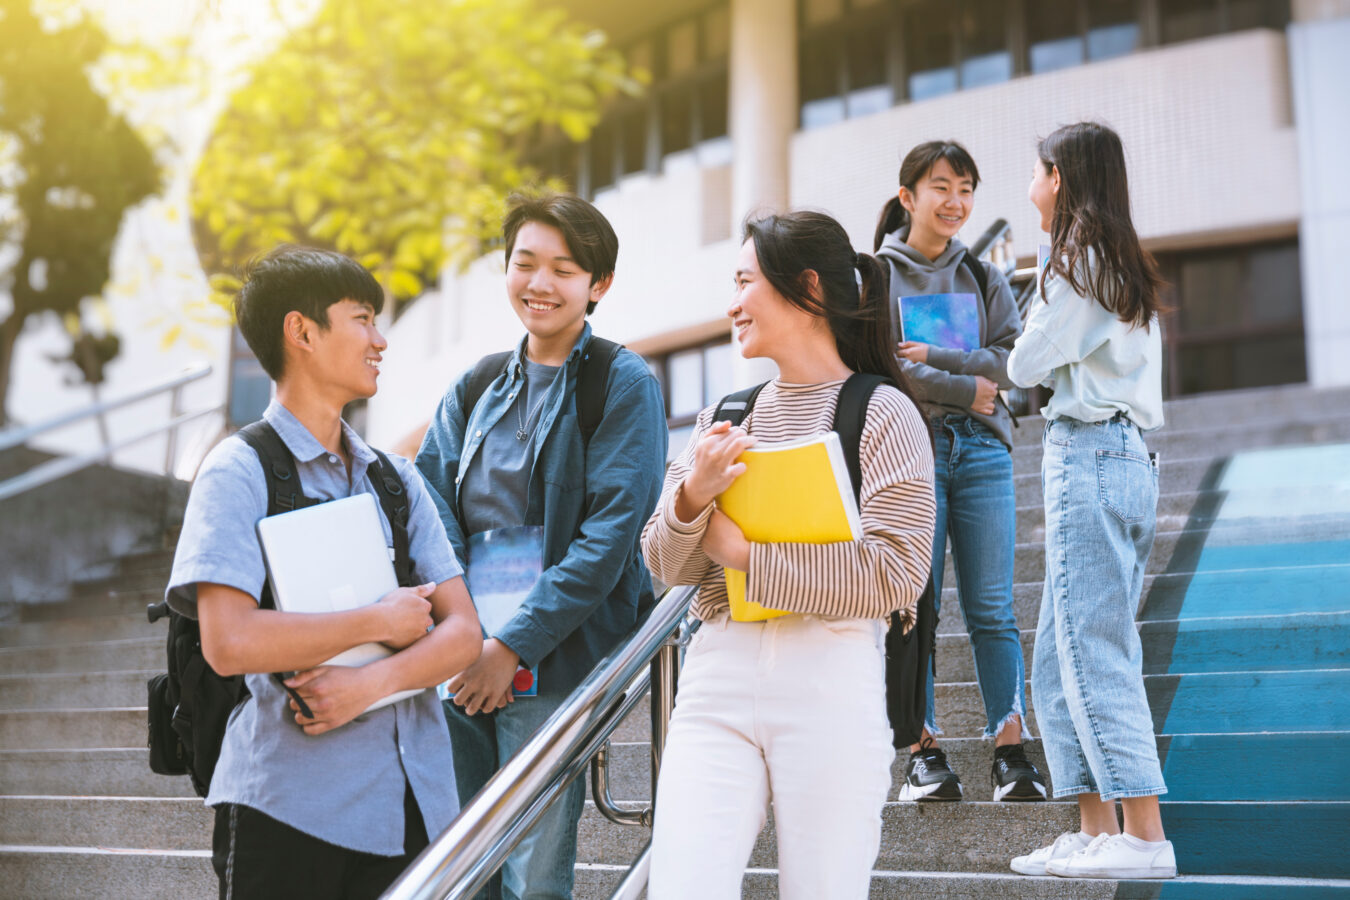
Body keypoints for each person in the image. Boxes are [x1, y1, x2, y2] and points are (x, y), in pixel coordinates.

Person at [165, 246, 483, 899]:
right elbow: (228, 641)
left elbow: (464, 635)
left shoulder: (395, 479)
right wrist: (377, 620)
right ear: (302, 332)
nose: (380, 339)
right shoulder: (238, 469)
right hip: (286, 809)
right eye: (363, 319)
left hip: (416, 808)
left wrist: (368, 685)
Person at [642, 210, 936, 899]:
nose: (732, 302)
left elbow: (897, 572)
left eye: (744, 280)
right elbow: (665, 561)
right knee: (681, 886)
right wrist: (691, 498)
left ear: (805, 287)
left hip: (832, 675)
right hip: (716, 676)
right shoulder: (730, 414)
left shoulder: (883, 410)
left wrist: (744, 553)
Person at [415, 190, 667, 900]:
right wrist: (465, 632)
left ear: (599, 285)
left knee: (532, 865)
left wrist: (512, 645)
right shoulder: (477, 384)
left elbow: (611, 539)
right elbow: (426, 505)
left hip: (553, 656)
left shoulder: (621, 383)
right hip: (462, 649)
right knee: (461, 858)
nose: (540, 283)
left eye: (564, 269)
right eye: (525, 263)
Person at [1007, 121, 1176, 879]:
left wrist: (1043, 274)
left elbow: (1025, 360)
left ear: (1062, 178)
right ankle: (1095, 828)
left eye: (1039, 174)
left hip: (1093, 453)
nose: (1031, 188)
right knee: (1056, 656)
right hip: (1117, 455)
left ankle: (1144, 837)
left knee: (1092, 648)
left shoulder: (1084, 261)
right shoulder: (1108, 258)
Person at [873, 140, 1046, 803]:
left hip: (982, 454)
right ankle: (923, 750)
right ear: (907, 197)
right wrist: (964, 384)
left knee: (994, 610)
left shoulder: (983, 276)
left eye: (967, 188)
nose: (956, 202)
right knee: (916, 606)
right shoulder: (877, 276)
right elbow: (886, 368)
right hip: (911, 455)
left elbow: (1010, 365)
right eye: (941, 187)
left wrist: (940, 362)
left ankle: (1009, 749)